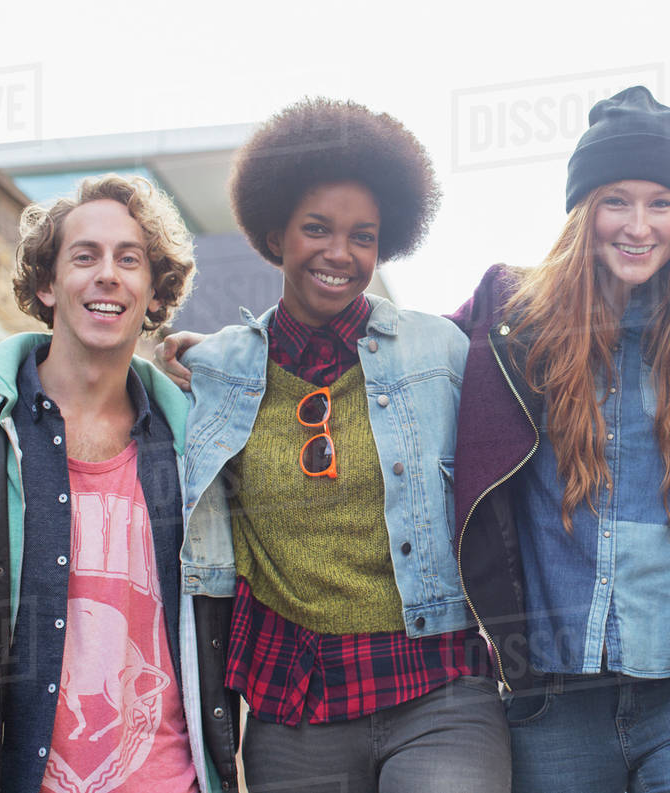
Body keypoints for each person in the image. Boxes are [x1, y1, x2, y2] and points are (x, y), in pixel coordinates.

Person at [141, 97, 508, 791]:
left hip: (438, 686)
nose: (340, 253)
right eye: (317, 228)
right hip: (295, 703)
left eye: (362, 236)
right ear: (275, 231)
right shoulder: (217, 370)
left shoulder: (439, 353)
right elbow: (100, 386)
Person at [448, 85, 670, 793]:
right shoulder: (513, 319)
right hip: (551, 701)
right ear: (581, 209)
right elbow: (396, 356)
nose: (638, 224)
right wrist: (240, 359)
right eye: (615, 200)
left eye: (661, 202)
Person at [0, 174, 239, 792]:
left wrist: (235, 374)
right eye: (85, 256)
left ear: (155, 295)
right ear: (47, 285)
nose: (108, 275)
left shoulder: (200, 443)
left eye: (130, 260)